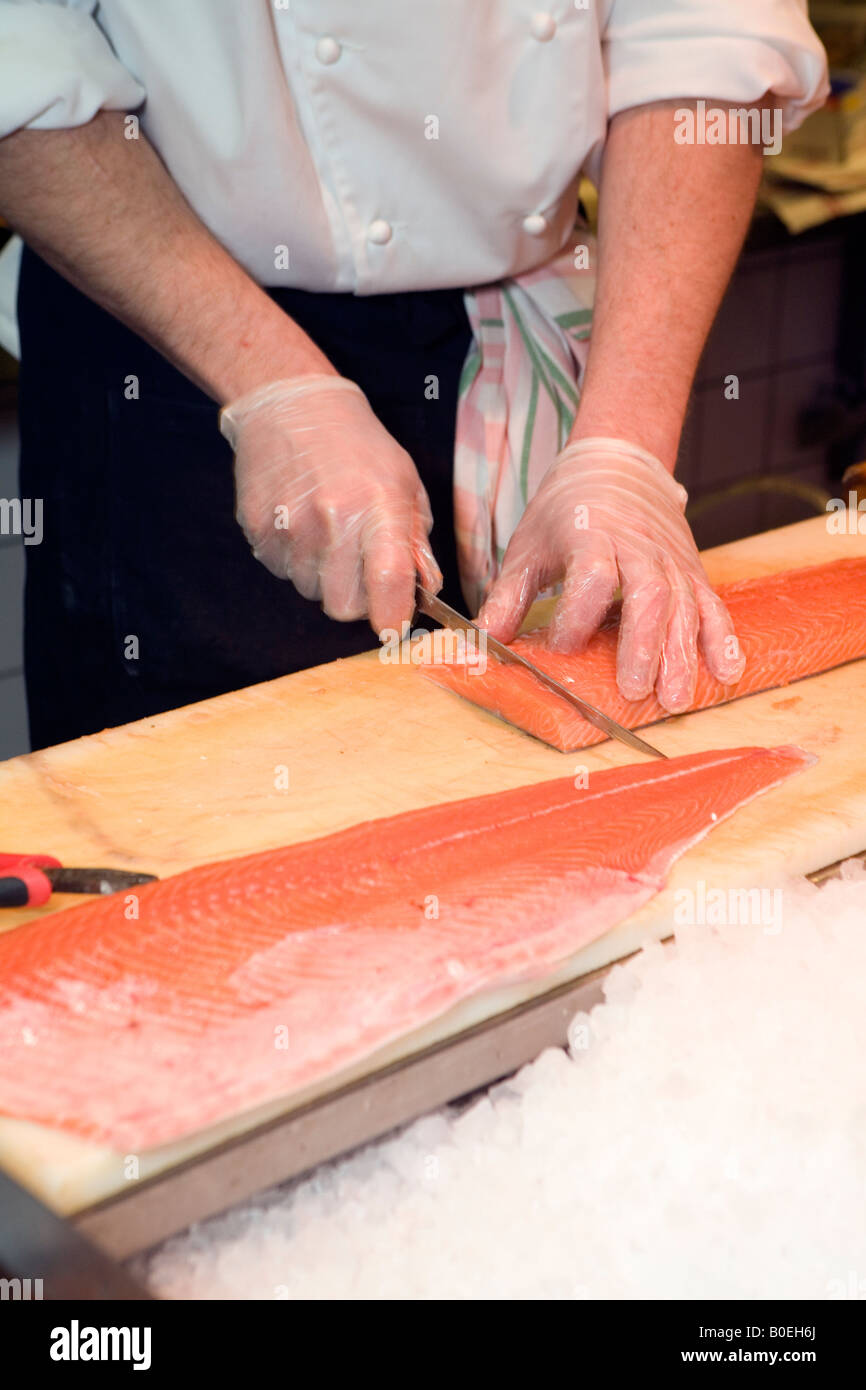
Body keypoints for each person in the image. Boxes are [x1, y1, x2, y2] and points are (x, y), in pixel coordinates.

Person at [0, 1, 827, 748]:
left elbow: (708, 38)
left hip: (524, 334)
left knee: (515, 778)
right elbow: (20, 50)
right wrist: (275, 387)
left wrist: (625, 445)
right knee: (207, 784)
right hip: (175, 342)